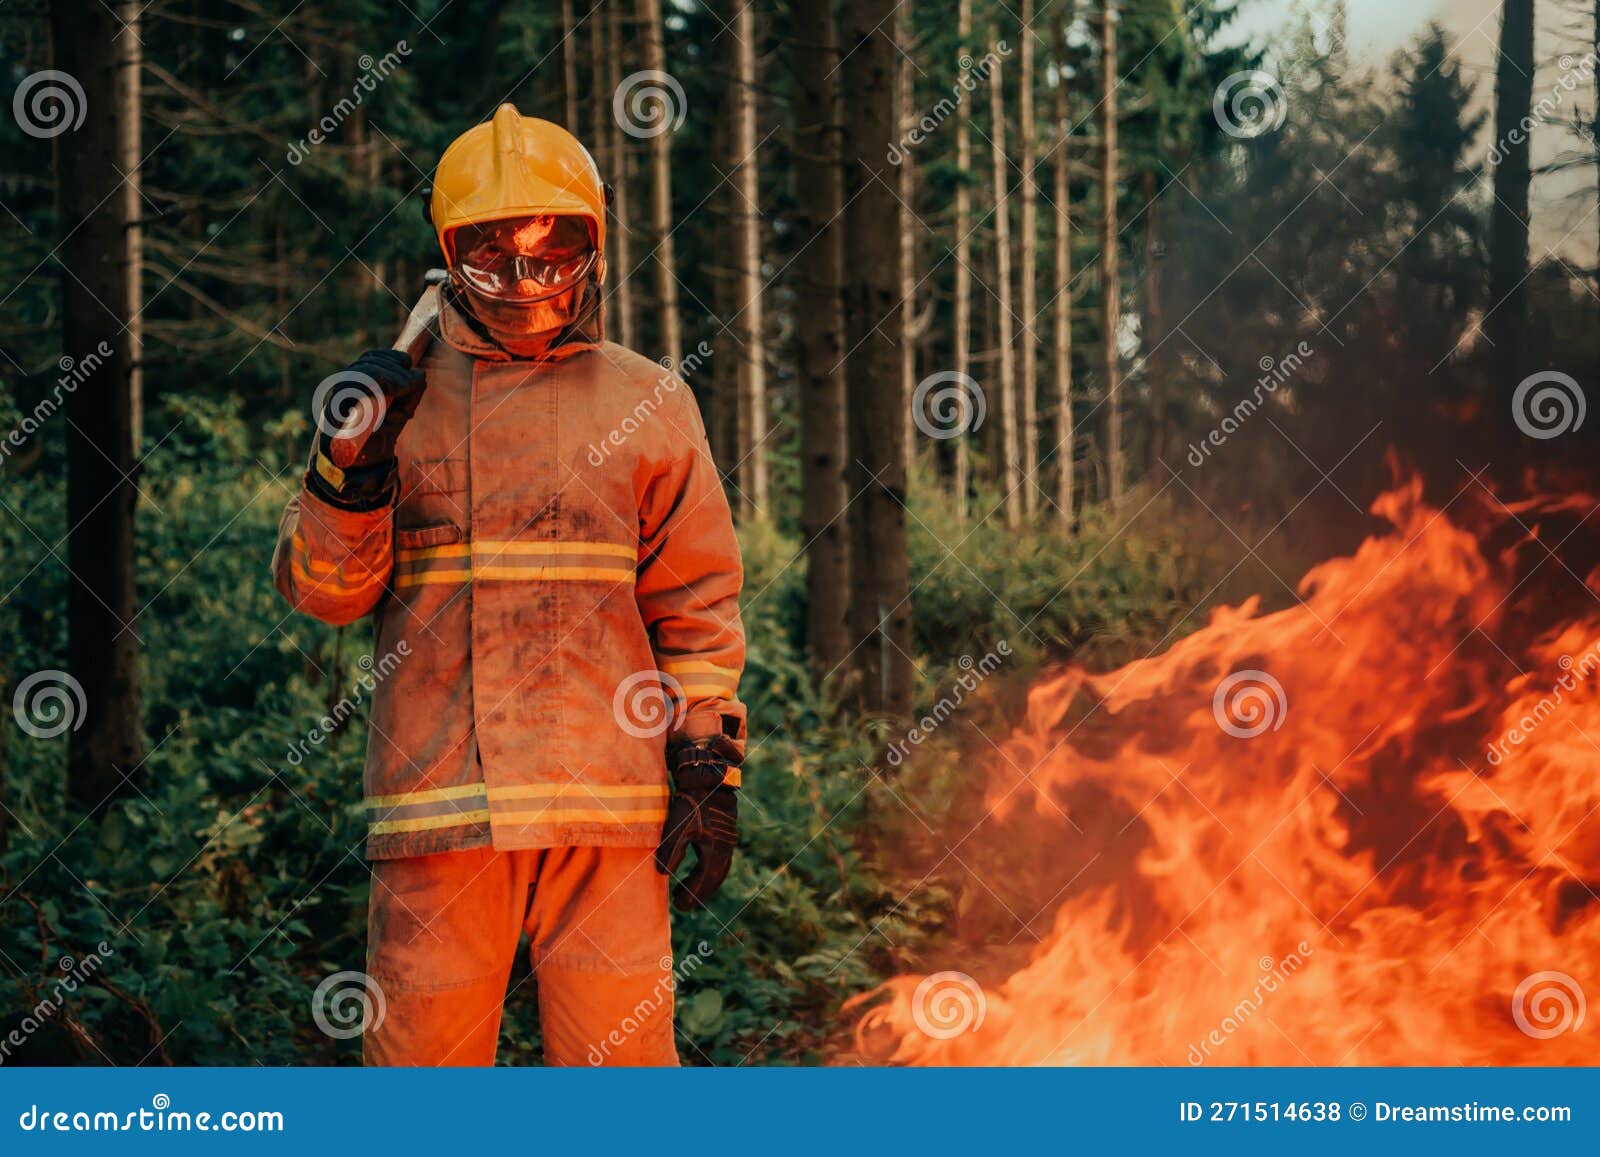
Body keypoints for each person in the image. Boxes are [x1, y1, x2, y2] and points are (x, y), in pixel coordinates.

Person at [271, 103, 746, 1066]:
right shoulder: (392, 400)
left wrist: (709, 760)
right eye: (495, 258)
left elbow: (696, 609)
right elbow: (324, 592)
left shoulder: (649, 400)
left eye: (551, 253)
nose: (526, 282)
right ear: (451, 258)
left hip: (607, 818)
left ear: (593, 249)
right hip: (442, 815)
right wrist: (349, 470)